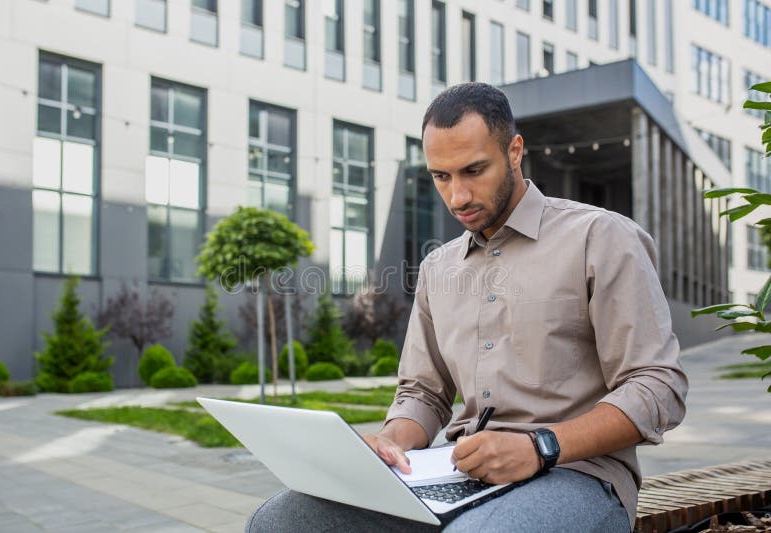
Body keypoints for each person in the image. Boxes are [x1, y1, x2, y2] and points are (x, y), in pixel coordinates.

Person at [246, 83, 688, 533]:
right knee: (281, 519)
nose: (457, 197)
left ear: (515, 151)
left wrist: (540, 446)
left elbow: (658, 386)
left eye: (474, 170)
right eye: (441, 176)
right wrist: (388, 442)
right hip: (459, 473)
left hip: (578, 474)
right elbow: (423, 393)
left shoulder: (601, 238)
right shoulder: (438, 268)